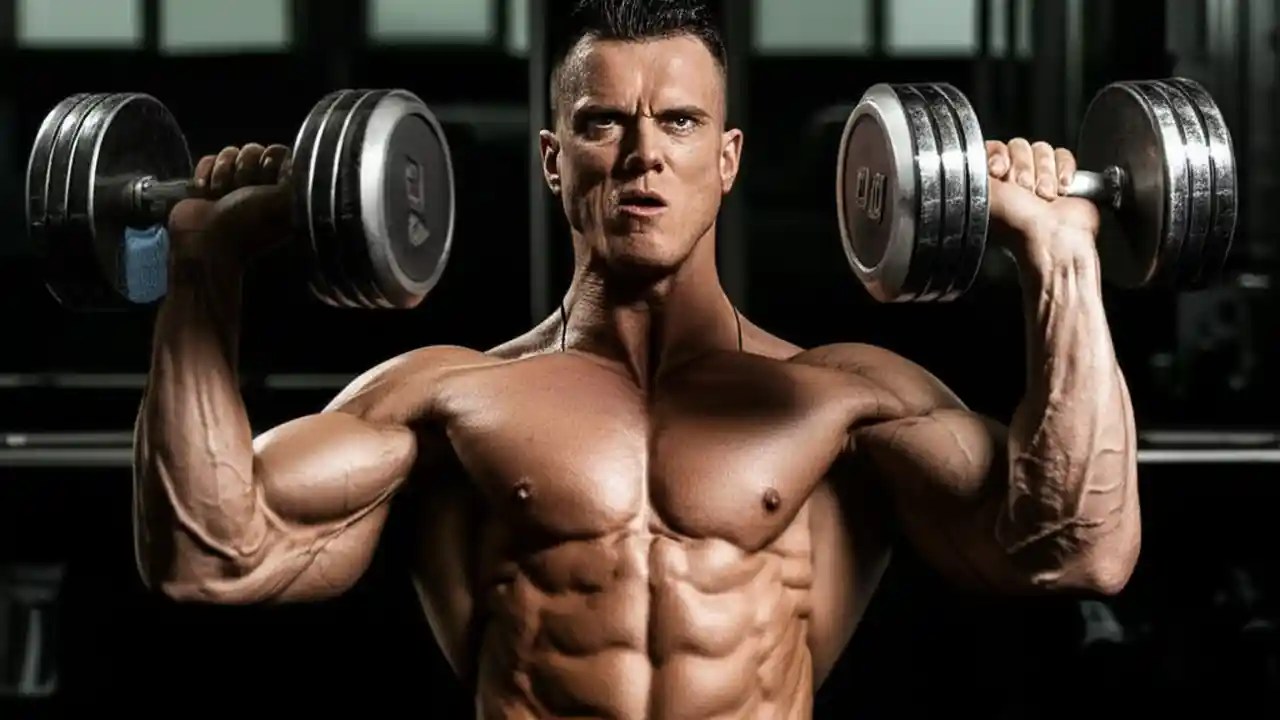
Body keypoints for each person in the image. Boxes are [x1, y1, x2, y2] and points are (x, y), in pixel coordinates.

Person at [132, 0, 1141, 716]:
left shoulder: (843, 400)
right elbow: (210, 557)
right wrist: (203, 269)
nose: (642, 153)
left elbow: (1077, 549)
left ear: (727, 159)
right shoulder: (446, 398)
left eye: (680, 121)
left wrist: (1059, 259)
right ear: (552, 158)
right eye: (602, 122)